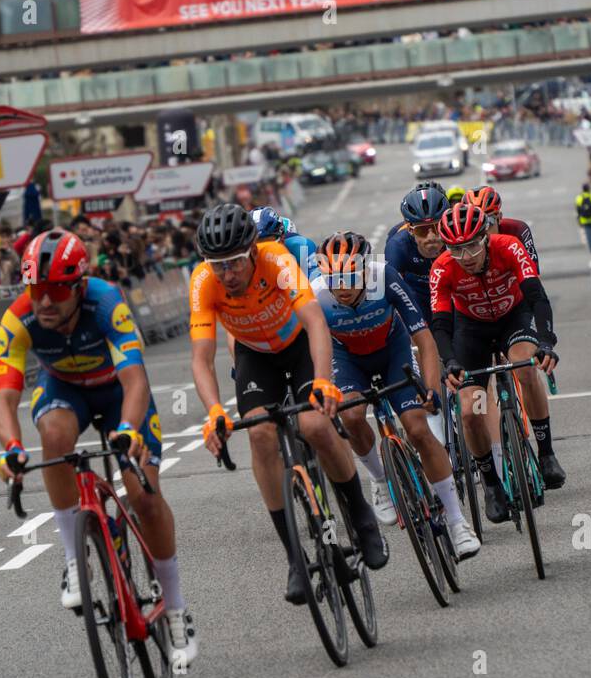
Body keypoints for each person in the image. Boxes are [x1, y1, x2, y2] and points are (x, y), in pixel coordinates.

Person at [0, 230, 198, 669]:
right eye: (35, 290)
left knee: (144, 496)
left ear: (80, 284)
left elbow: (135, 380)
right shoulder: (18, 318)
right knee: (52, 436)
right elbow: (5, 397)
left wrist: (127, 429)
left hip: (117, 394)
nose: (43, 301)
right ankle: (73, 557)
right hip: (65, 391)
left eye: (55, 290)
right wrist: (11, 448)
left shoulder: (106, 302)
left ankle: (177, 608)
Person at [189, 204, 387, 605]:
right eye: (217, 265)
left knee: (314, 426)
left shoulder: (277, 260)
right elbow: (201, 357)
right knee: (260, 433)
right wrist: (214, 412)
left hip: (297, 345)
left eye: (233, 264)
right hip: (254, 355)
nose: (226, 274)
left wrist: (324, 384)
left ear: (251, 252)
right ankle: (295, 557)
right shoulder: (203, 281)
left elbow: (315, 322)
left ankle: (361, 514)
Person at [312, 233, 480, 558]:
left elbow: (424, 337)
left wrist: (430, 389)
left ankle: (458, 523)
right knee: (351, 415)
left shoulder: (383, 276)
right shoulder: (316, 294)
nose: (341, 287)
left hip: (393, 350)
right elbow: (310, 350)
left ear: (364, 270)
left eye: (348, 277)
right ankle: (379, 479)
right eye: (333, 278)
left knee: (418, 427)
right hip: (346, 359)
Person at [431, 204, 563, 523]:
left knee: (524, 366)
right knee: (469, 410)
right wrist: (449, 361)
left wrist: (545, 341)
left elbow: (537, 297)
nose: (466, 256)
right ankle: (491, 485)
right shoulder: (442, 268)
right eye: (456, 249)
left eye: (473, 245)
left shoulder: (509, 247)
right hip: (471, 331)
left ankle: (546, 454)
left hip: (513, 318)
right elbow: (440, 324)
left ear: (486, 237)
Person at [385, 184, 449, 322]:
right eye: (422, 231)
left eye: (437, 228)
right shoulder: (396, 245)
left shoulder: (455, 233)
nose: (431, 237)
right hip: (416, 294)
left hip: (449, 290)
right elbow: (380, 293)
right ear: (410, 230)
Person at [463, 186, 539, 267]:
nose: (482, 233)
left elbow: (532, 271)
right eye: (473, 227)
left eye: (488, 223)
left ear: (499, 218)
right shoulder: (460, 246)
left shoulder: (518, 230)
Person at [250, 207, 318, 280]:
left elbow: (315, 284)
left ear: (282, 238)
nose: (263, 250)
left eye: (268, 244)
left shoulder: (301, 247)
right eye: (257, 246)